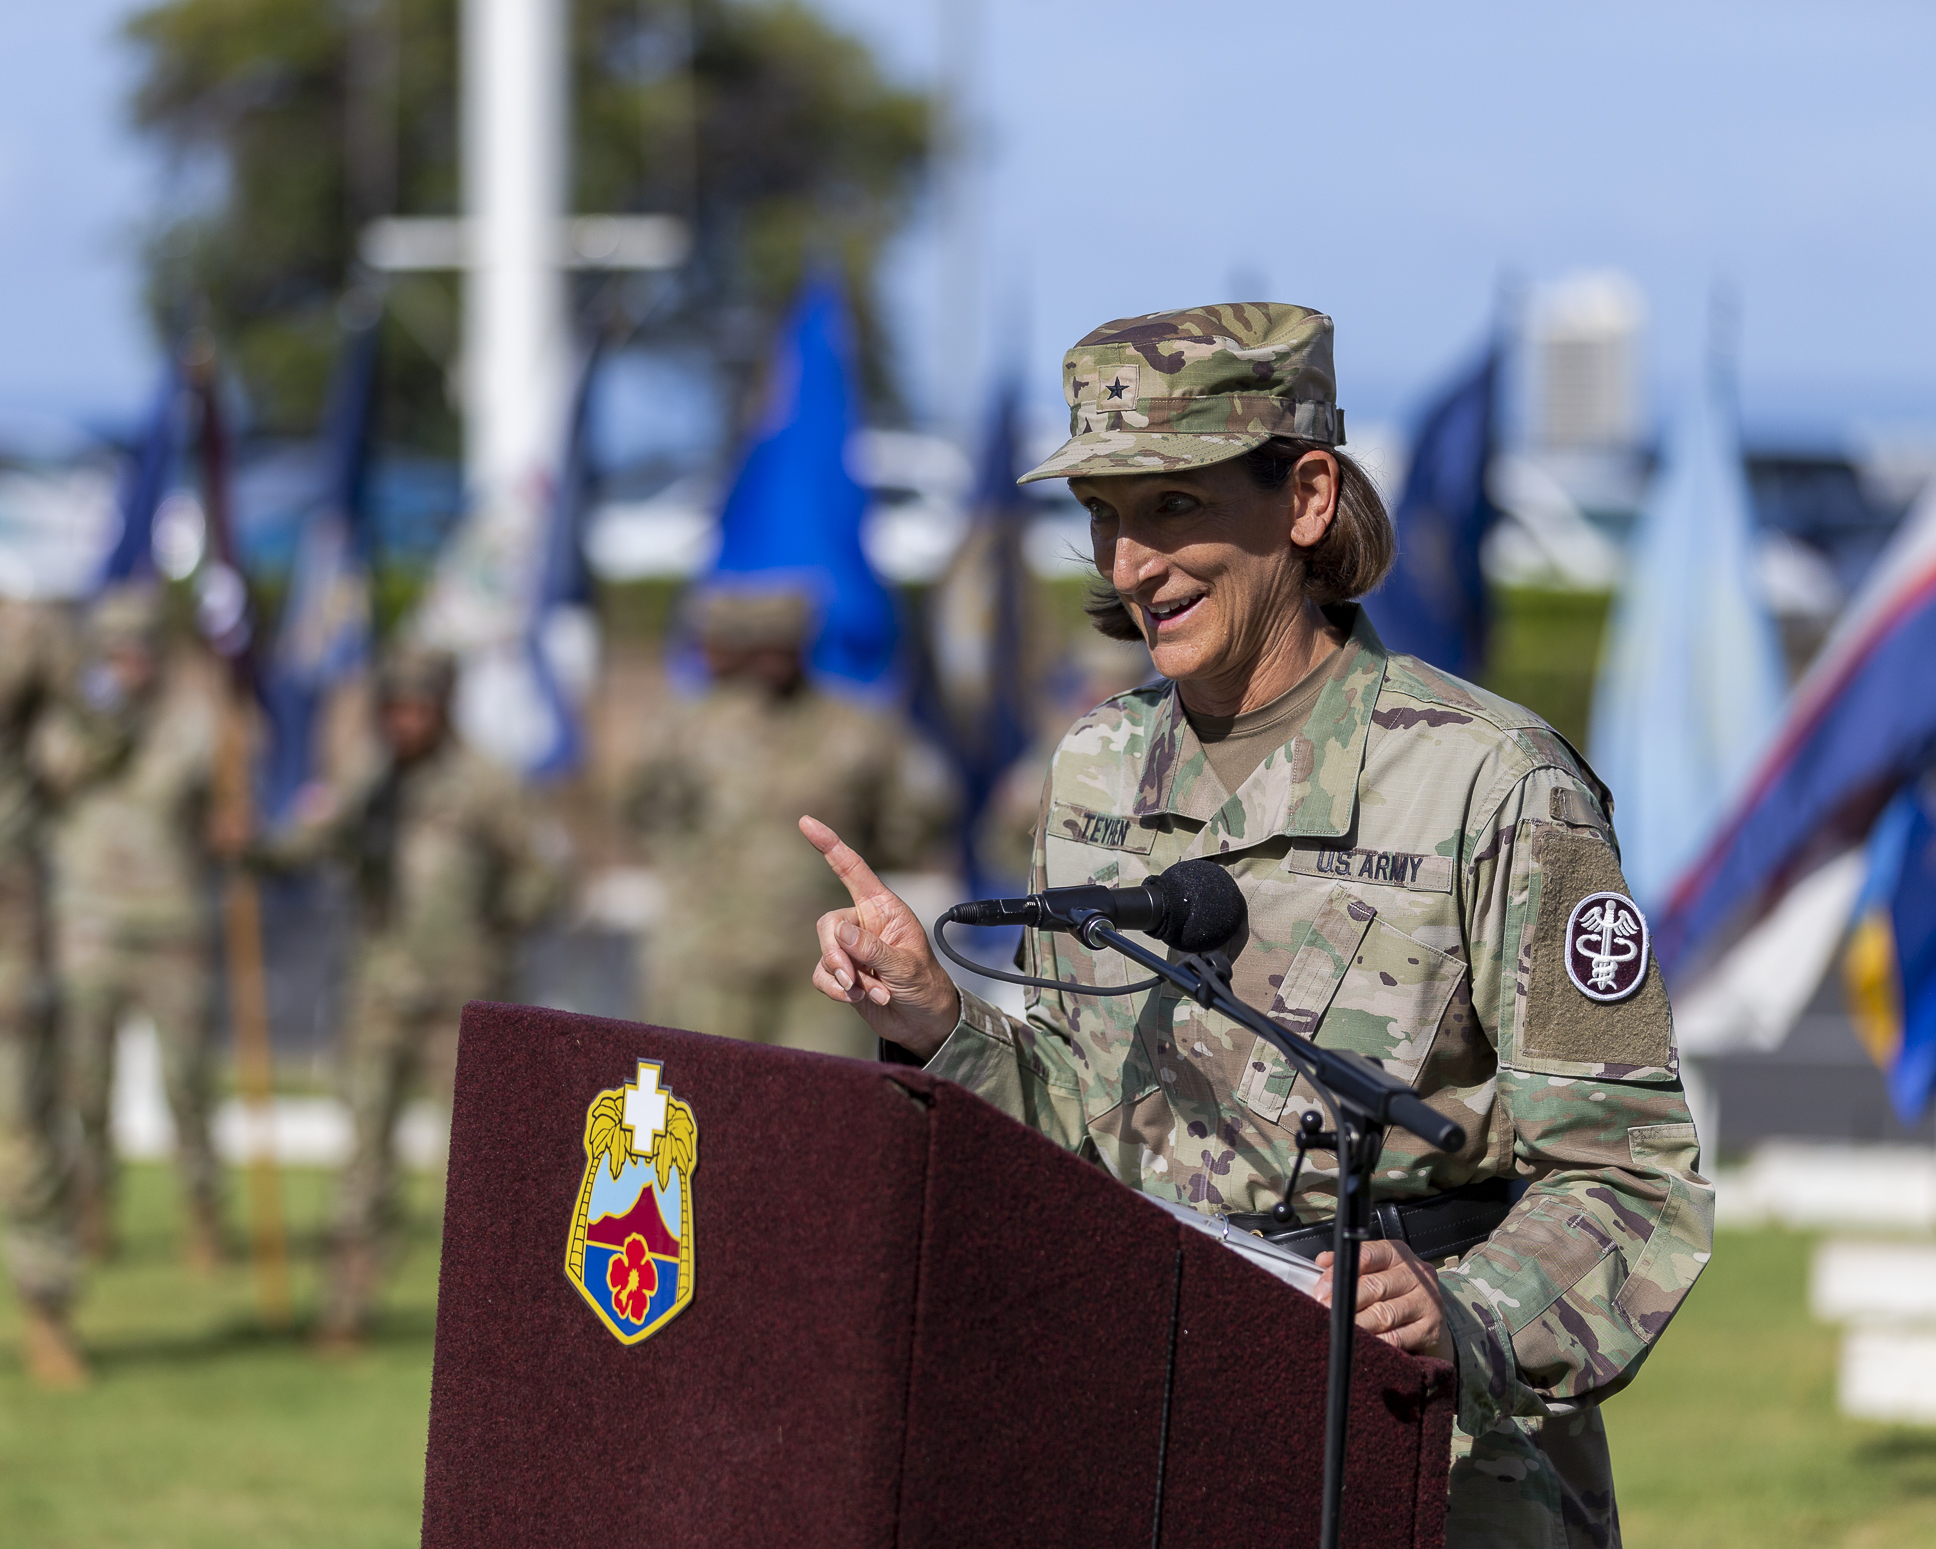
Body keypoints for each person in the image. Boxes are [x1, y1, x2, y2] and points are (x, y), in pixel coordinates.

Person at [802, 303, 1712, 1547]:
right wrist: (943, 1023)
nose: (1130, 564)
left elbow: (1627, 1174)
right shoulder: (1096, 771)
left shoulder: (1491, 782)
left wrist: (1466, 1312)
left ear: (1306, 496)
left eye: (1173, 506)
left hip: (1426, 1457)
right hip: (1154, 1429)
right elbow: (1083, 1121)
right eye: (1105, 519)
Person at [270, 643, 570, 1345]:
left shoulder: (487, 785)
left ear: (443, 709)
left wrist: (494, 929)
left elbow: (549, 877)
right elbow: (310, 842)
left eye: (418, 708)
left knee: (477, 1163)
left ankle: (489, 1314)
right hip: (379, 995)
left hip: (466, 1002)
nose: (404, 721)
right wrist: (250, 844)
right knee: (364, 1149)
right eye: (393, 708)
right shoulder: (367, 781)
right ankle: (347, 1307)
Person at [626, 586, 951, 1060]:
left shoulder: (859, 729)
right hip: (703, 963)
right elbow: (643, 810)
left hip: (824, 965)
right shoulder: (686, 727)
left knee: (818, 1113)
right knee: (699, 1109)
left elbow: (914, 821)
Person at [42, 584, 226, 1267]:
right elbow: (50, 779)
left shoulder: (194, 724)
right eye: (117, 651)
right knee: (85, 1084)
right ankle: (92, 1209)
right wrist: (105, 719)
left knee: (189, 1084)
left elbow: (219, 815)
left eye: (141, 649)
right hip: (89, 926)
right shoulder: (70, 726)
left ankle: (205, 1211)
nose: (131, 662)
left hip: (172, 927)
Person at [0, 596, 86, 1385]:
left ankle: (45, 1309)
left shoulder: (24, 633)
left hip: (8, 932)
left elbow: (89, 741)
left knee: (23, 1127)